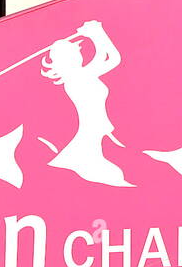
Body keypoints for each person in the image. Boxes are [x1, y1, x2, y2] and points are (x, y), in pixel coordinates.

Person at [42, 20, 130, 187]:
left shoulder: (81, 75)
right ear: (65, 59)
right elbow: (112, 59)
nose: (80, 54)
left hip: (93, 129)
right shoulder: (77, 77)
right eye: (74, 52)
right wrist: (98, 33)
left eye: (77, 51)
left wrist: (97, 34)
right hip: (91, 128)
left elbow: (103, 57)